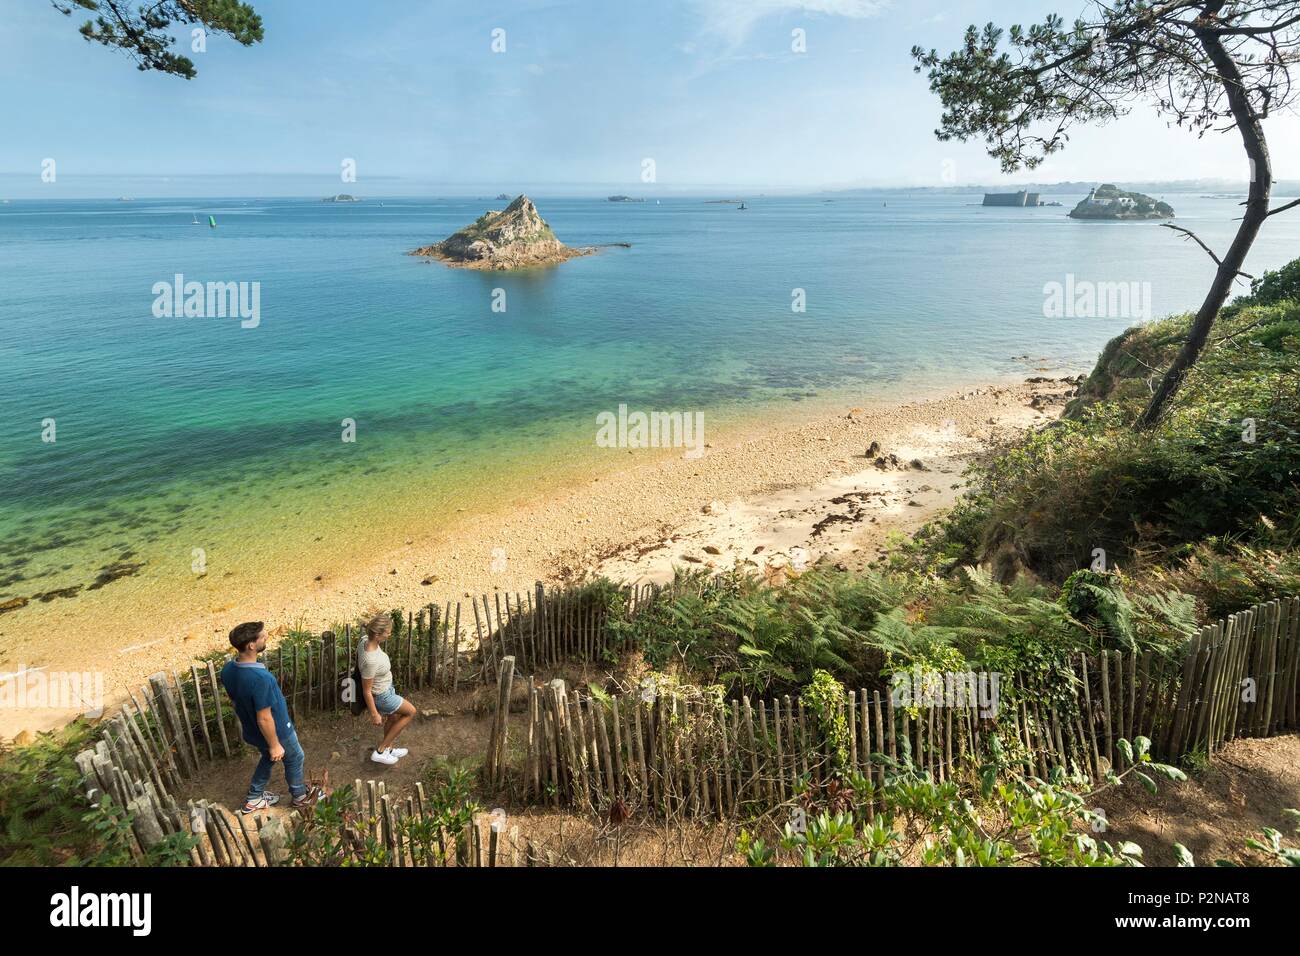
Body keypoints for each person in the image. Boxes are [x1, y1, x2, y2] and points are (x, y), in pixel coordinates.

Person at [220, 621, 320, 814]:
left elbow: (236, 700)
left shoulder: (229, 670)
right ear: (251, 645)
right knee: (295, 757)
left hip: (251, 730)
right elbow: (264, 717)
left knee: (267, 757)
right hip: (276, 730)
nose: (266, 637)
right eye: (262, 636)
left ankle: (254, 797)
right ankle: (300, 796)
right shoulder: (261, 679)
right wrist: (274, 743)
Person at [358, 612, 417, 765]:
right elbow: (367, 690)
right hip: (382, 695)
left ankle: (389, 748)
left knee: (393, 717)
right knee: (411, 712)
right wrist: (374, 714)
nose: (389, 634)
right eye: (387, 632)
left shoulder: (365, 640)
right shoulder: (371, 660)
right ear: (377, 634)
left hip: (386, 688)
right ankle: (380, 751)